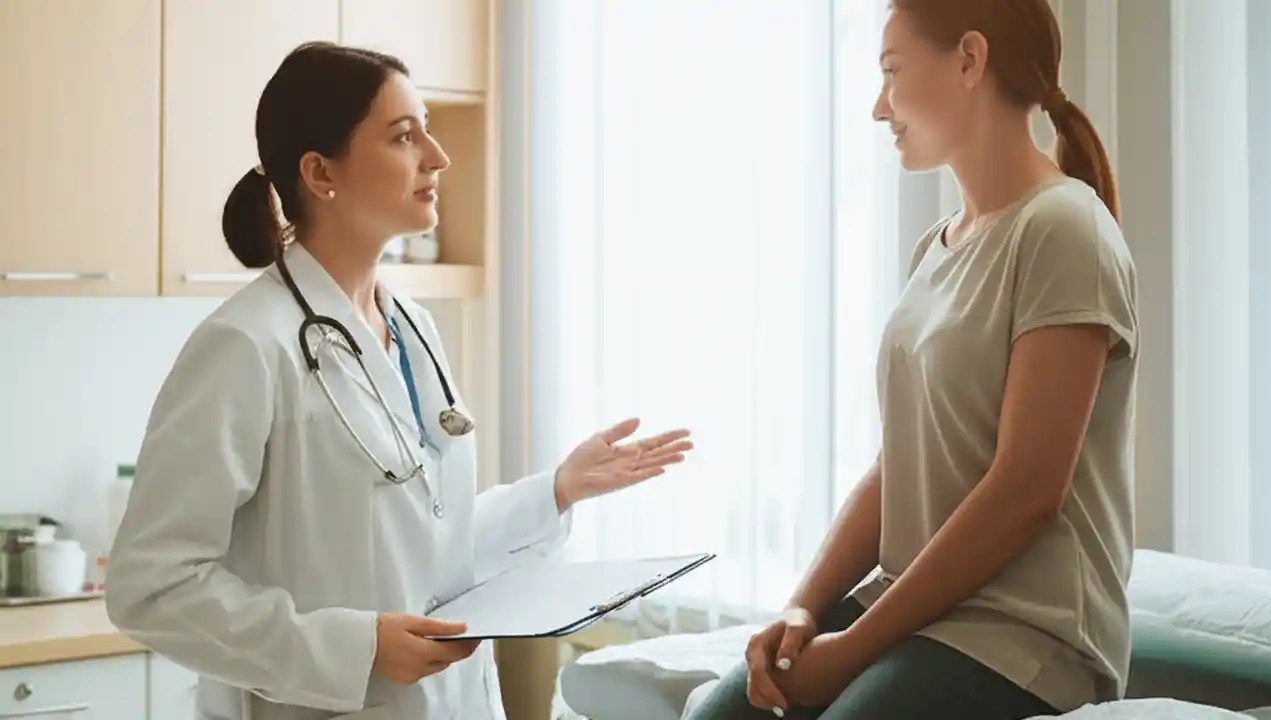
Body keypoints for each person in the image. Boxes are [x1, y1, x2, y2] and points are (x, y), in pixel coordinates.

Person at [105, 41, 693, 720]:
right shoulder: (244, 346)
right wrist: (355, 647)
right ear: (321, 172)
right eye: (404, 136)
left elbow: (422, 544)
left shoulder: (410, 325)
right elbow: (151, 587)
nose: (437, 157)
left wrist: (557, 490)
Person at [688, 0, 1138, 718]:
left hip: (1019, 640)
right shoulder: (937, 247)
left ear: (969, 59)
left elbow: (1025, 492)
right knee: (719, 713)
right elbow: (896, 465)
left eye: (892, 73)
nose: (877, 107)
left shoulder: (1064, 230)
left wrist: (856, 646)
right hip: (915, 617)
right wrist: (805, 610)